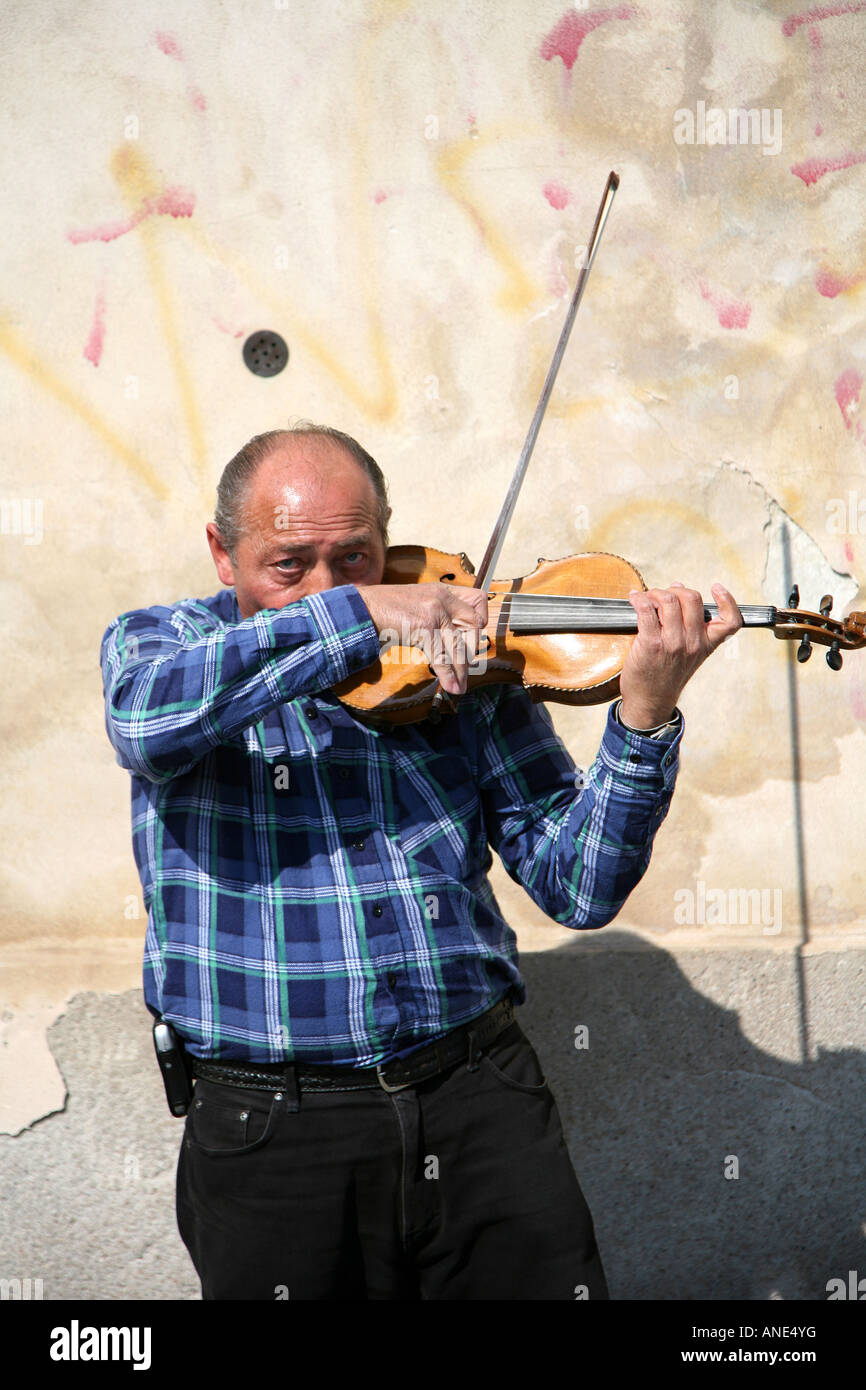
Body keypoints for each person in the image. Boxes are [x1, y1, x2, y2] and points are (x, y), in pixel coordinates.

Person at [99, 422, 742, 1300]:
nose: (325, 583)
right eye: (291, 564)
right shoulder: (164, 646)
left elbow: (579, 887)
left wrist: (642, 720)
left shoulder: (462, 653)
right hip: (274, 1134)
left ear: (389, 538)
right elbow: (142, 722)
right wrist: (360, 614)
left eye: (356, 559)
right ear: (223, 552)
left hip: (479, 1101)